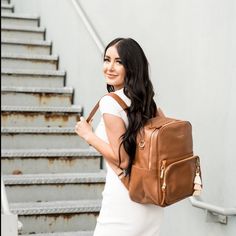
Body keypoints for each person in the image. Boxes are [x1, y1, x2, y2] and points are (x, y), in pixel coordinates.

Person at [75, 38, 163, 236]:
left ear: (132, 66)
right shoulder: (150, 103)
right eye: (107, 60)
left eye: (119, 62)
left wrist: (88, 135)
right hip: (151, 201)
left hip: (125, 199)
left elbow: (122, 159)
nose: (110, 67)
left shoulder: (110, 102)